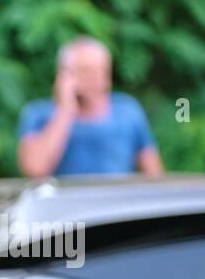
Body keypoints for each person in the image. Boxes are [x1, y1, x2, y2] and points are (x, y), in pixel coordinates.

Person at [17, 35, 164, 178]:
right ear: (64, 75)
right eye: (86, 70)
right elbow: (35, 169)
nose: (97, 78)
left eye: (103, 70)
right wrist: (65, 110)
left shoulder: (128, 110)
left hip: (117, 201)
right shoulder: (39, 114)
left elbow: (154, 176)